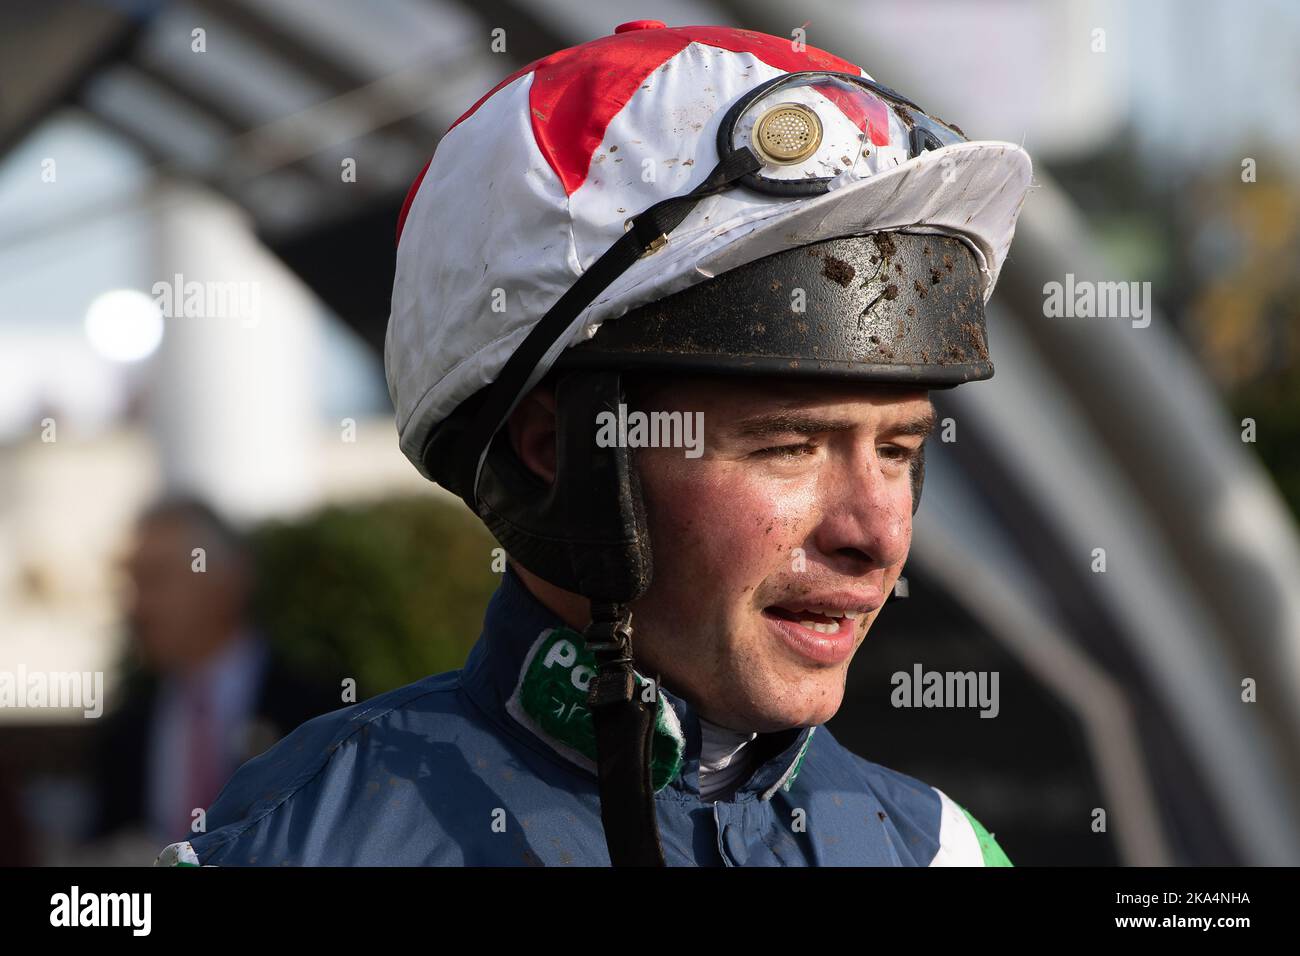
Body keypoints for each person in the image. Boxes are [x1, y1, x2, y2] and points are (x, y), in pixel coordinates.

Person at [157, 21, 1030, 867]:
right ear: (556, 452)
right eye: (790, 447)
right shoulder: (298, 847)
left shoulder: (944, 852)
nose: (876, 536)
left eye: (898, 450)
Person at [90, 495, 338, 847]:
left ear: (230, 579)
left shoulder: (319, 712)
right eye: (132, 581)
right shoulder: (126, 728)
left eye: (155, 578)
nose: (137, 605)